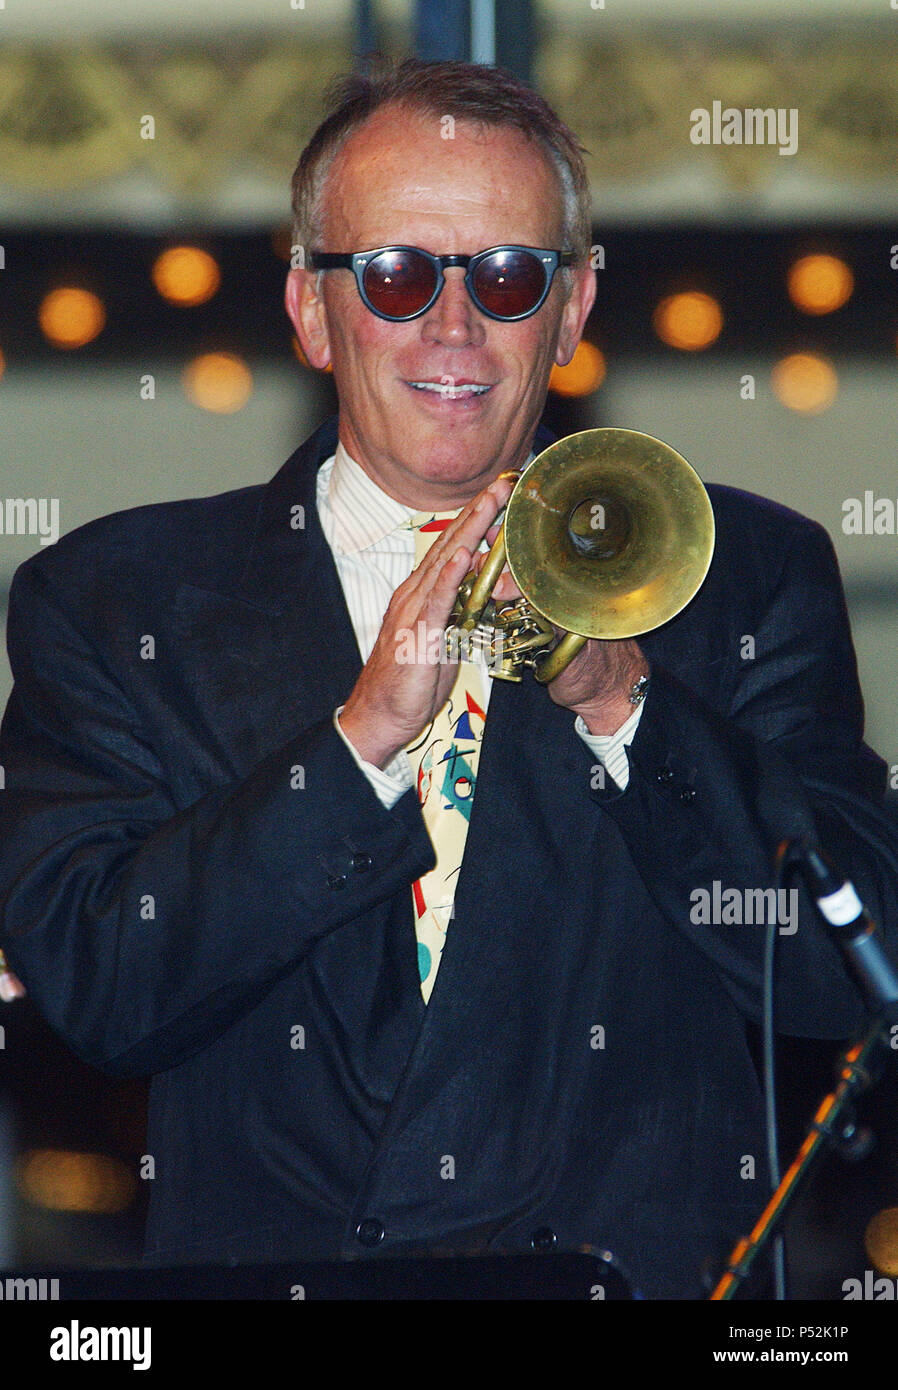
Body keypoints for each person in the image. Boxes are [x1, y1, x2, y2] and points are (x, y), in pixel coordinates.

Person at [1, 58, 897, 1300]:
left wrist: (624, 705)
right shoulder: (114, 601)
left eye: (509, 277)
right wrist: (358, 743)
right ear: (311, 310)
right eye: (397, 275)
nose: (453, 327)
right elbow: (101, 986)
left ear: (574, 308)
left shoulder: (744, 579)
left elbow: (846, 962)